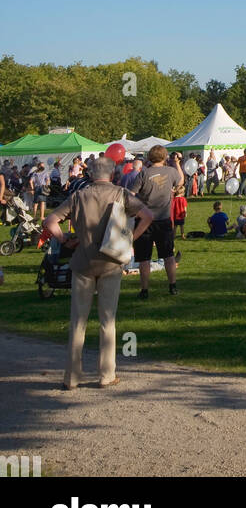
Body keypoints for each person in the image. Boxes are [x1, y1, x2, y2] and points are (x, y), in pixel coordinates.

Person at [45, 156, 153, 389]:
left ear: (91, 174)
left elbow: (50, 220)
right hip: (111, 263)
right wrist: (130, 239)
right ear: (112, 174)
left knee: (78, 322)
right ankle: (106, 374)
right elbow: (148, 216)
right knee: (108, 321)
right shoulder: (122, 194)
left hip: (82, 263)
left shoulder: (78, 196)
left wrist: (64, 239)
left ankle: (71, 377)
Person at [129, 145, 184, 298]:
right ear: (165, 157)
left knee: (144, 259)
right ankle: (172, 286)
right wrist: (177, 163)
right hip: (164, 219)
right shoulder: (171, 172)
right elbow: (180, 182)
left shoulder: (143, 174)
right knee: (168, 256)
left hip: (144, 221)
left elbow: (131, 194)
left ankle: (144, 290)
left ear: (149, 157)